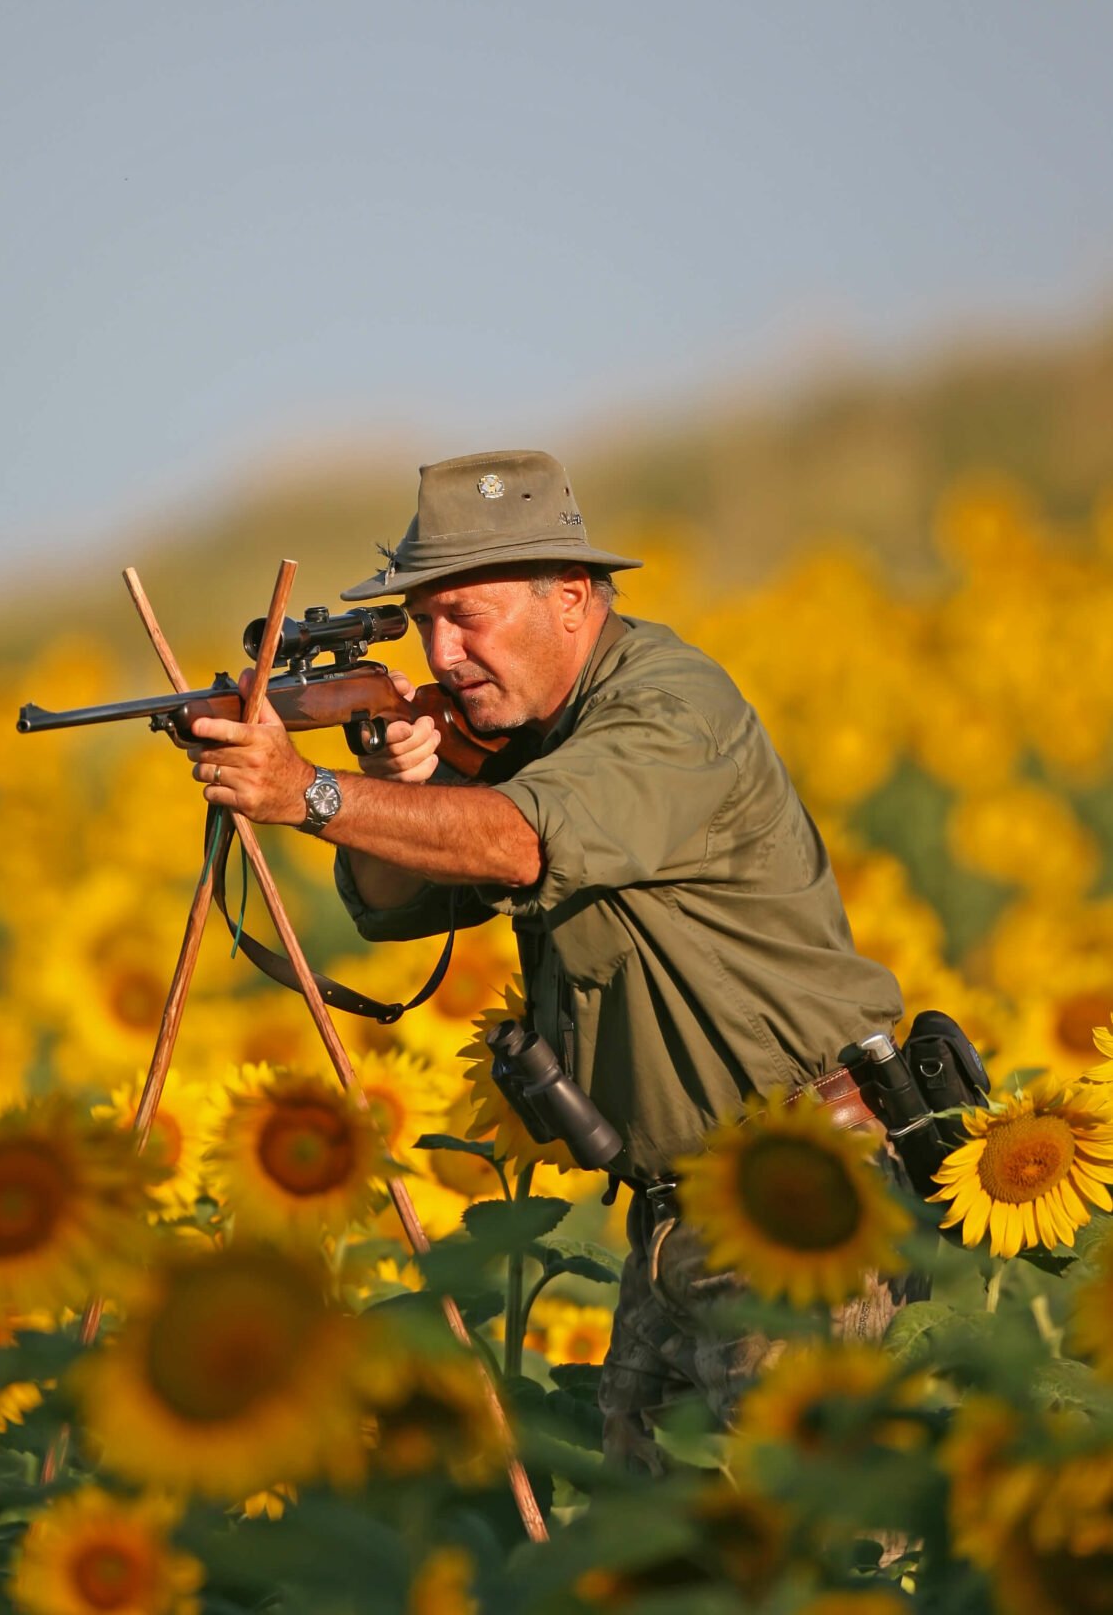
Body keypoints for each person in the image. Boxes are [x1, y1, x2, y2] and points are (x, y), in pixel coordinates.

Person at [186, 449, 908, 1473]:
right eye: (424, 620)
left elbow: (525, 839)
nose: (443, 650)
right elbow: (396, 907)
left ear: (570, 599)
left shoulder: (669, 704)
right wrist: (389, 766)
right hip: (679, 1217)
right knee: (647, 1556)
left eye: (467, 615)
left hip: (804, 1203)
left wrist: (310, 792)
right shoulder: (519, 733)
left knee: (822, 1549)